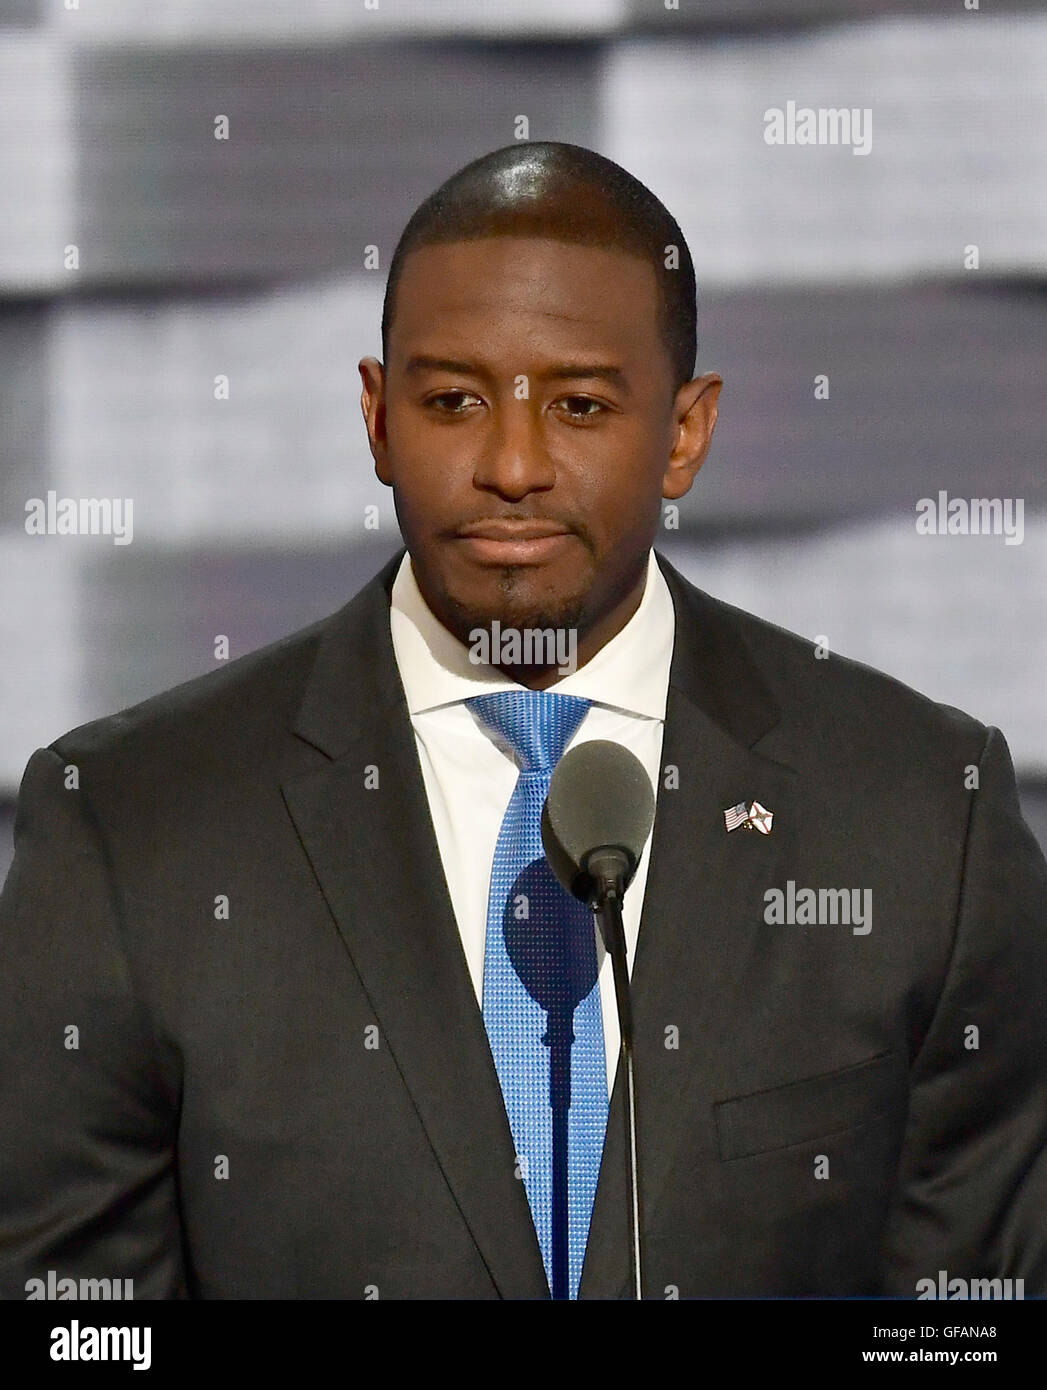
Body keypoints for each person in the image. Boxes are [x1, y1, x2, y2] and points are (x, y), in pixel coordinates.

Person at [1, 142, 1045, 1301]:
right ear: (377, 416)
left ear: (686, 434)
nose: (511, 464)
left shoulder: (917, 813)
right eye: (452, 400)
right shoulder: (132, 826)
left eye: (581, 406)